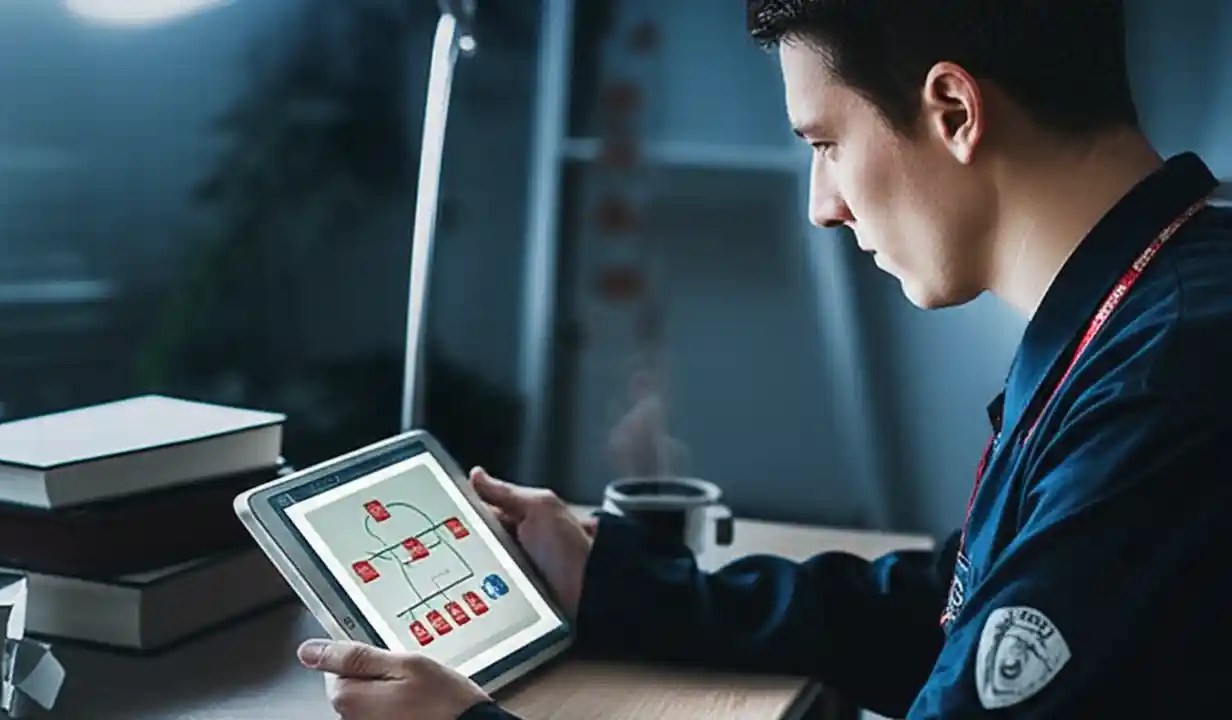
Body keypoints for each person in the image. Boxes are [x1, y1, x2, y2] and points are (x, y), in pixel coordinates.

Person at [293, 0, 1232, 717]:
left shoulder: (1172, 381)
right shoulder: (1150, 311)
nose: (821, 204)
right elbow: (966, 610)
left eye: (825, 143)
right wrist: (616, 586)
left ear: (952, 108)